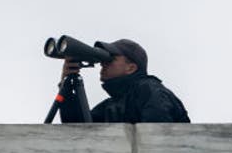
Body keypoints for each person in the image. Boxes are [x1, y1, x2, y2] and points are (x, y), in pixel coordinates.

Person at [58, 39, 190, 123]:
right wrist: (67, 87)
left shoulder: (149, 90)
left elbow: (155, 137)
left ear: (130, 68)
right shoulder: (113, 104)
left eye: (111, 58)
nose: (104, 63)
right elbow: (77, 129)